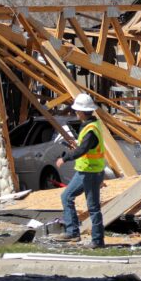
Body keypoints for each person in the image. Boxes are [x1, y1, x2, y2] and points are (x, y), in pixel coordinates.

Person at [54, 93, 106, 248]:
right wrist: (77, 146)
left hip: (90, 172)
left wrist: (65, 158)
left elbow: (83, 150)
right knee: (66, 196)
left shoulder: (91, 129)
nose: (75, 112)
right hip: (86, 171)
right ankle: (72, 232)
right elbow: (86, 147)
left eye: (77, 110)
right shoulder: (91, 126)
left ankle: (97, 240)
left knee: (93, 207)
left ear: (82, 112)